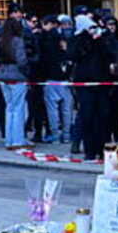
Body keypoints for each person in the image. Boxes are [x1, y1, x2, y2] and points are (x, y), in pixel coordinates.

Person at [69, 15, 111, 162]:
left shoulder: (101, 39)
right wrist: (87, 41)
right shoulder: (77, 40)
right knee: (87, 117)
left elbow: (108, 54)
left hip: (101, 83)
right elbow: (74, 55)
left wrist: (99, 40)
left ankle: (102, 149)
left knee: (103, 117)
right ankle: (90, 150)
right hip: (85, 84)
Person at [0, 17, 30, 151]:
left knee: (9, 108)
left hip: (3, 75)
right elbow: (22, 60)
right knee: (19, 108)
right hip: (17, 76)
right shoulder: (18, 41)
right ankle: (18, 139)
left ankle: (9, 140)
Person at [38, 15, 71, 145]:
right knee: (66, 109)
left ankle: (55, 135)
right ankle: (67, 135)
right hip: (64, 78)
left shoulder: (43, 39)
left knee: (52, 110)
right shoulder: (64, 38)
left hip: (50, 79)